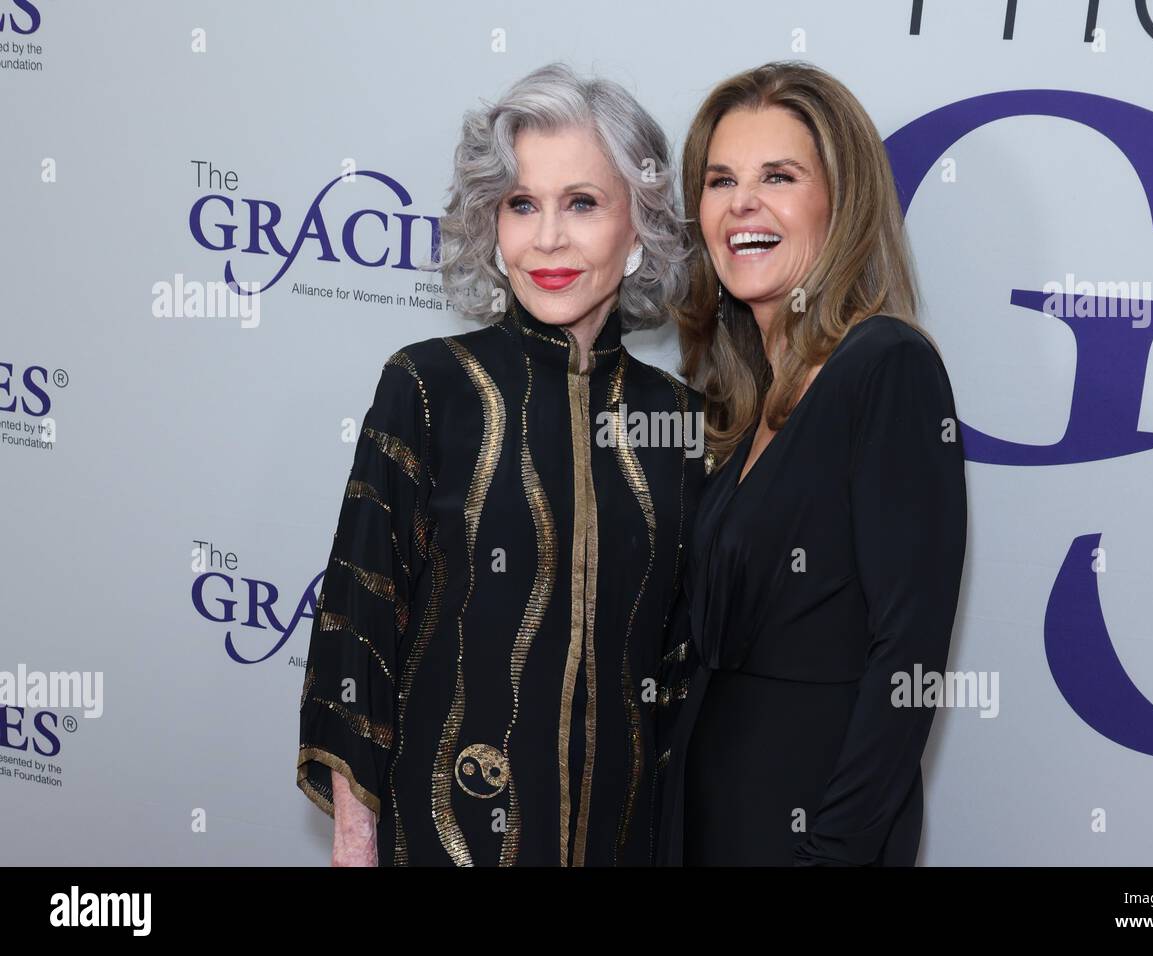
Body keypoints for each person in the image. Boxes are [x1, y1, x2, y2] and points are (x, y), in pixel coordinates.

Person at [296, 62, 705, 866]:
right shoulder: (427, 386)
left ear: (640, 225)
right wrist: (354, 842)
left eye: (581, 204)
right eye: (523, 205)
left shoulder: (681, 423)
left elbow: (684, 671)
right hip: (441, 830)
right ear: (494, 224)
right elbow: (358, 624)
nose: (547, 238)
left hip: (625, 839)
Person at [656, 62, 968, 866]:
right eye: (720, 179)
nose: (741, 203)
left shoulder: (886, 366)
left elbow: (907, 659)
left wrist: (834, 852)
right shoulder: (737, 409)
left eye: (779, 177)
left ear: (843, 203)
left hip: (811, 833)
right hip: (702, 818)